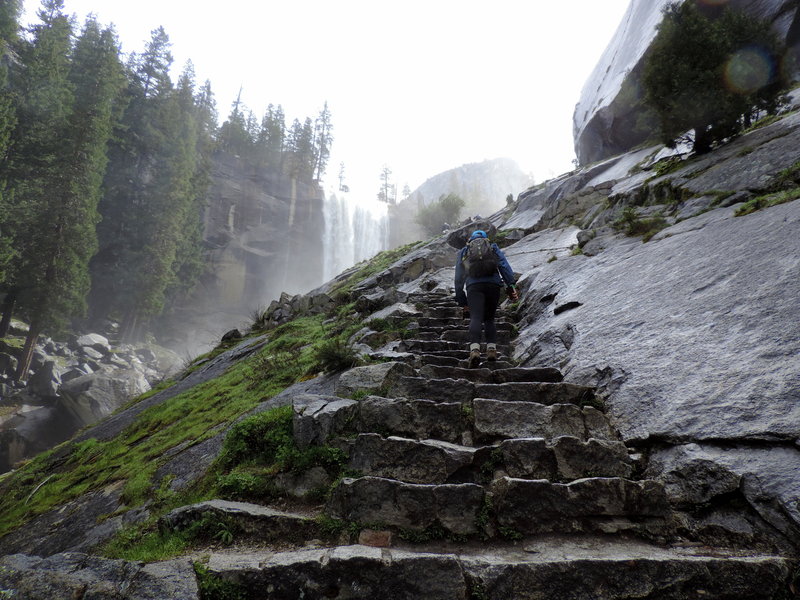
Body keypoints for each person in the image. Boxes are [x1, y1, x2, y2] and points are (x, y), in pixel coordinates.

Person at [454, 230, 518, 367]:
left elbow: (459, 277)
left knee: (476, 317)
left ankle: (475, 350)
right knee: (489, 319)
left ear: (470, 240)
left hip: (473, 286)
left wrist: (462, 300)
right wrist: (511, 285)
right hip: (493, 285)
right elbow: (503, 265)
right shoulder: (493, 247)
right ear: (486, 239)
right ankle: (491, 350)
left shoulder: (465, 251)